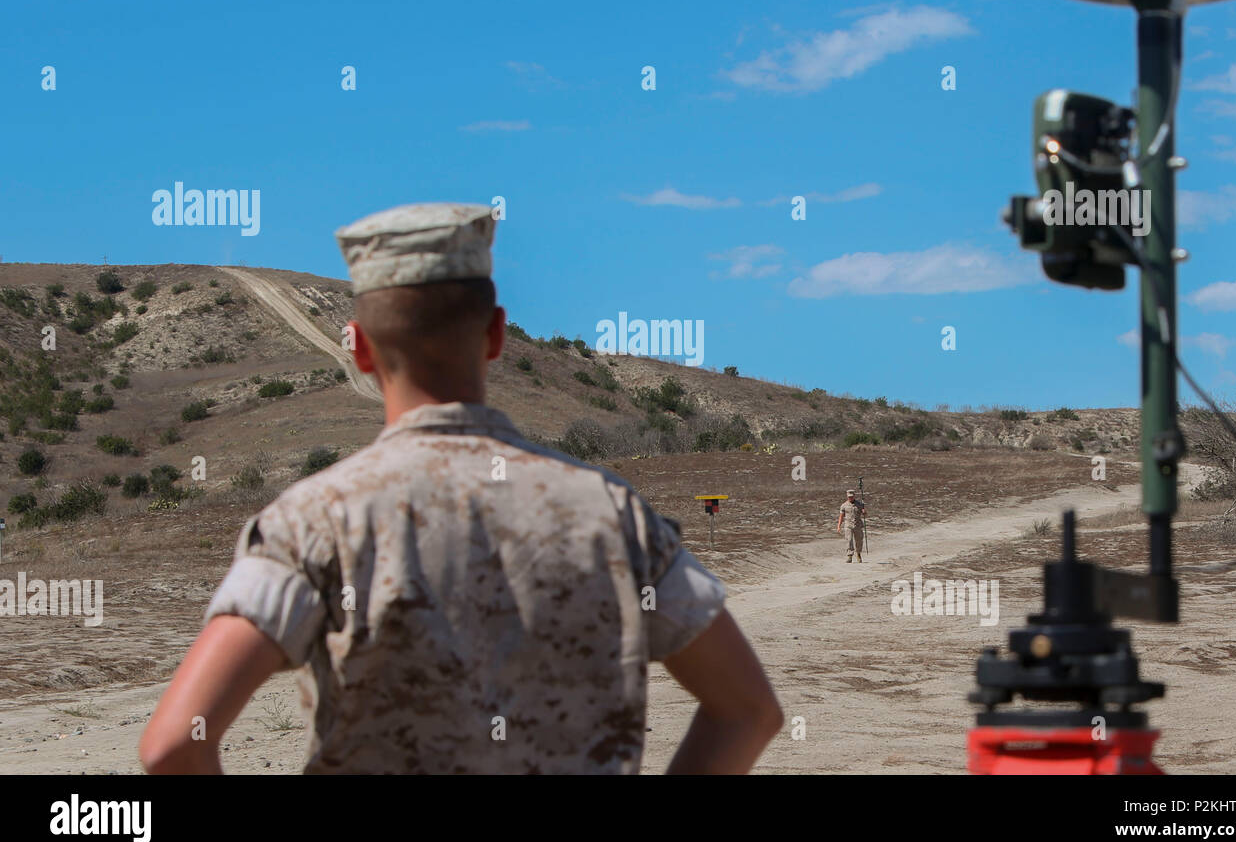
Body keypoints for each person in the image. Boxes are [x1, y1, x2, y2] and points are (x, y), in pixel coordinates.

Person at [139, 202, 782, 774]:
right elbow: (748, 710)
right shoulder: (614, 514)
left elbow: (175, 745)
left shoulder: (314, 520)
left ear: (359, 349)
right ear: (496, 334)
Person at [837, 489, 867, 563]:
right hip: (848, 525)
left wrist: (864, 512)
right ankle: (849, 556)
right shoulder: (843, 505)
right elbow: (841, 516)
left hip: (858, 525)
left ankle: (858, 554)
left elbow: (865, 514)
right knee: (849, 540)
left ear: (854, 496)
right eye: (849, 497)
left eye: (852, 496)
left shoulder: (859, 504)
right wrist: (839, 526)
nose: (850, 498)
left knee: (859, 540)